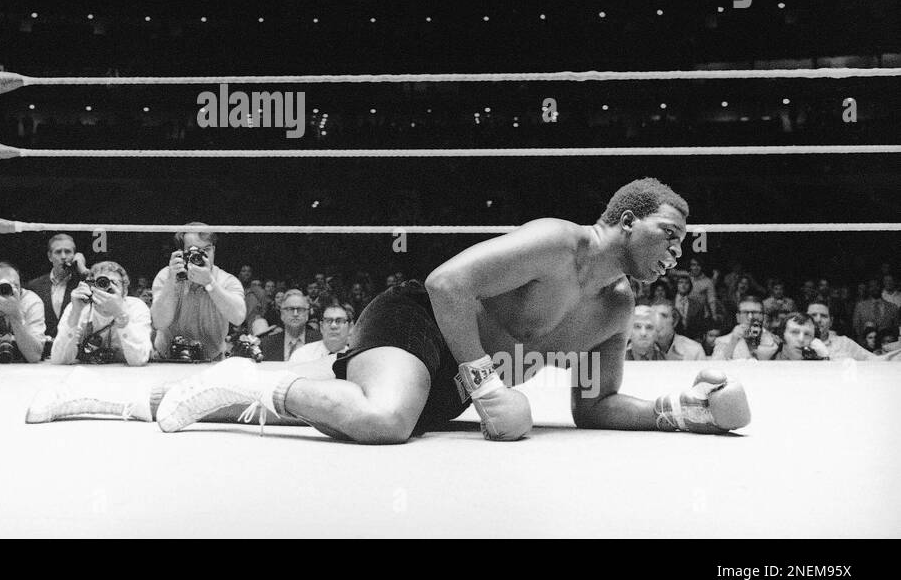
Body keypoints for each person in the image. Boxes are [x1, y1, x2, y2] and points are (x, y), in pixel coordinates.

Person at [156, 177, 751, 442]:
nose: (677, 250)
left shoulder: (614, 309)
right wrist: (490, 386)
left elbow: (596, 406)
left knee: (365, 417)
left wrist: (683, 410)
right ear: (627, 220)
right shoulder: (558, 242)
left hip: (456, 381)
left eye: (681, 242)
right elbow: (446, 285)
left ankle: (228, 395)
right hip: (419, 321)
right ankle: (253, 379)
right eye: (668, 232)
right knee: (385, 422)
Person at [149, 223, 246, 361]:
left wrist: (210, 283)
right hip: (167, 358)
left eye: (206, 249)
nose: (201, 256)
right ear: (182, 252)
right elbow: (159, 322)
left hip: (211, 361)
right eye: (194, 250)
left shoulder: (227, 280)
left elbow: (238, 317)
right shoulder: (166, 276)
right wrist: (171, 282)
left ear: (214, 250)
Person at [46, 262, 152, 366]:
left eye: (114, 283)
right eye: (101, 283)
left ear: (125, 291)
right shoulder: (78, 307)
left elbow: (139, 360)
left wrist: (119, 314)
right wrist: (75, 313)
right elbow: (59, 360)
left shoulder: (136, 307)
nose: (107, 288)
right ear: (91, 286)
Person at [23, 234, 87, 345]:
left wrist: (82, 268)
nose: (63, 256)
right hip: (43, 350)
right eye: (58, 252)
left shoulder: (83, 283)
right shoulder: (34, 286)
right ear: (49, 256)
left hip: (73, 348)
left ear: (74, 255)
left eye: (68, 252)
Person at [259, 289, 321, 361]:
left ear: (307, 315)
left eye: (300, 309)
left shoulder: (321, 342)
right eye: (290, 309)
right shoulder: (266, 344)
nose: (295, 314)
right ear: (282, 315)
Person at [289, 302, 353, 365]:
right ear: (321, 327)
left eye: (339, 321)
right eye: (328, 321)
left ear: (350, 327)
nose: (333, 326)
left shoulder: (355, 358)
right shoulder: (302, 355)